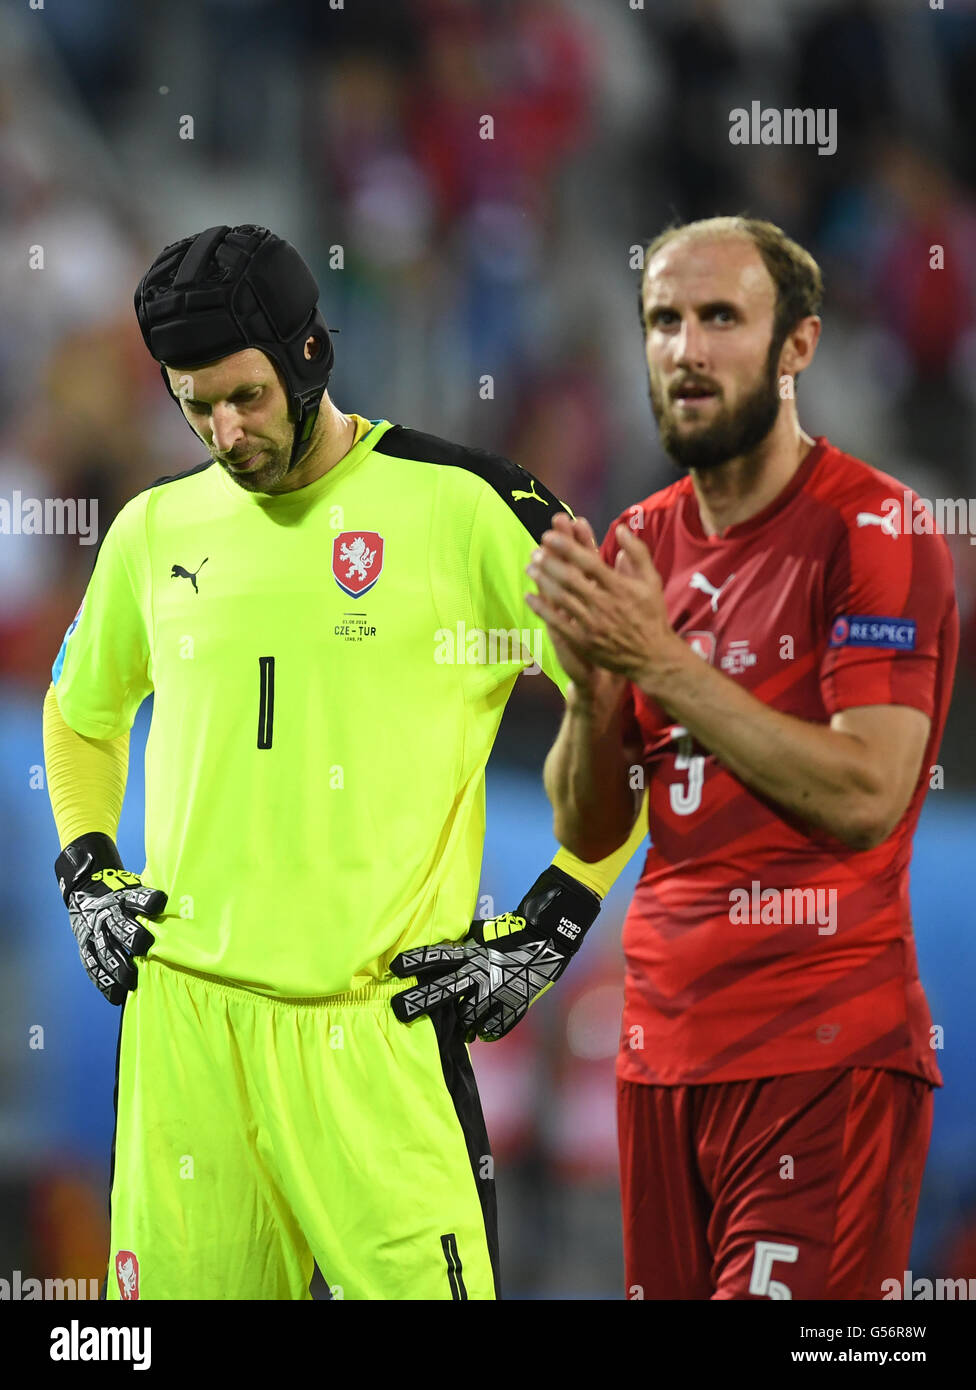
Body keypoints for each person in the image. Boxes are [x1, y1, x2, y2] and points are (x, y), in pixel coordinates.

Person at [43, 224, 644, 1301]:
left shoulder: (467, 505)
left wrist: (553, 924)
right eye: (194, 405)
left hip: (378, 1033)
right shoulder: (153, 529)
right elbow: (80, 712)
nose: (224, 432)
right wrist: (87, 869)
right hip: (185, 1033)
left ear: (310, 357)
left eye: (245, 397)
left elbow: (633, 704)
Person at [526, 216, 958, 1300]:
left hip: (820, 1048)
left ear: (796, 346)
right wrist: (592, 691)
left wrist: (656, 663)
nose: (687, 349)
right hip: (661, 1054)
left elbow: (866, 792)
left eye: (722, 318)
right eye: (663, 321)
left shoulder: (877, 528)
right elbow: (590, 826)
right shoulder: (641, 541)